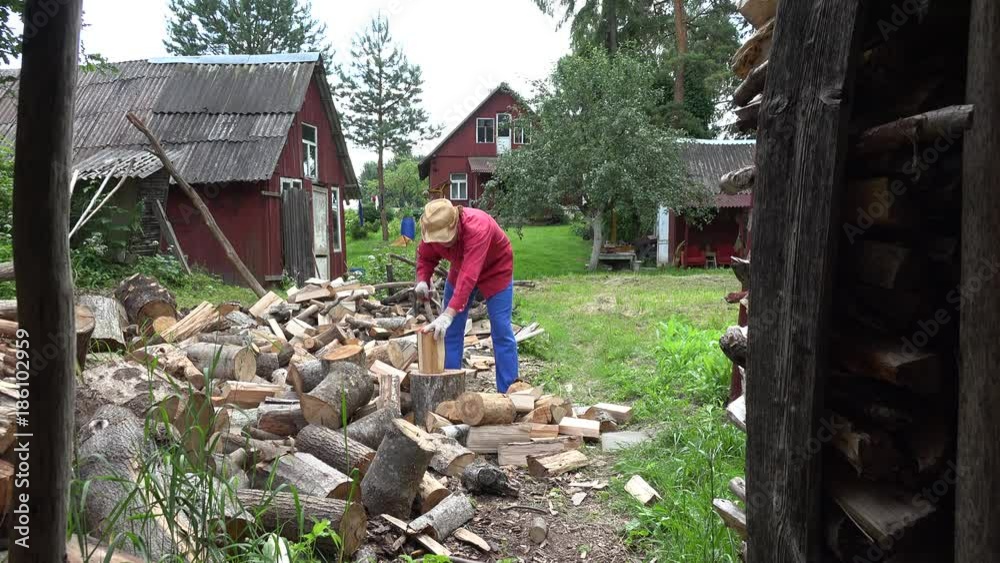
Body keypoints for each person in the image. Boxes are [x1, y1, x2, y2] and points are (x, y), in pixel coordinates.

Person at [415, 199, 518, 392]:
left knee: (501, 329)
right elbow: (425, 256)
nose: (439, 243)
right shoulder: (434, 229)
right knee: (449, 331)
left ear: (454, 224)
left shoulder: (478, 227)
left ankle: (509, 392)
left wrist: (447, 314)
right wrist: (423, 279)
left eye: (443, 239)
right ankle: (450, 388)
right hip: (461, 268)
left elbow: (469, 276)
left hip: (496, 268)